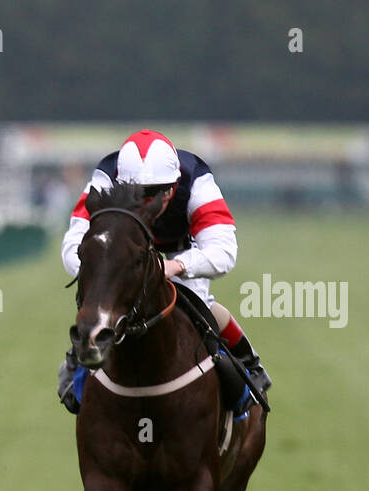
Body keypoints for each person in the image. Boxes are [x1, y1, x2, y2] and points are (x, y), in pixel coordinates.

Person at [58, 129, 271, 413]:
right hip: (122, 255)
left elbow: (224, 252)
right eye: (140, 193)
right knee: (104, 302)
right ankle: (78, 364)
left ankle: (247, 362)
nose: (151, 202)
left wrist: (176, 265)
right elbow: (73, 246)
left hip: (180, 250)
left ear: (175, 184)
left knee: (199, 305)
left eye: (159, 191)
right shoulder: (105, 181)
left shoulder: (197, 182)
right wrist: (108, 270)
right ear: (123, 184)